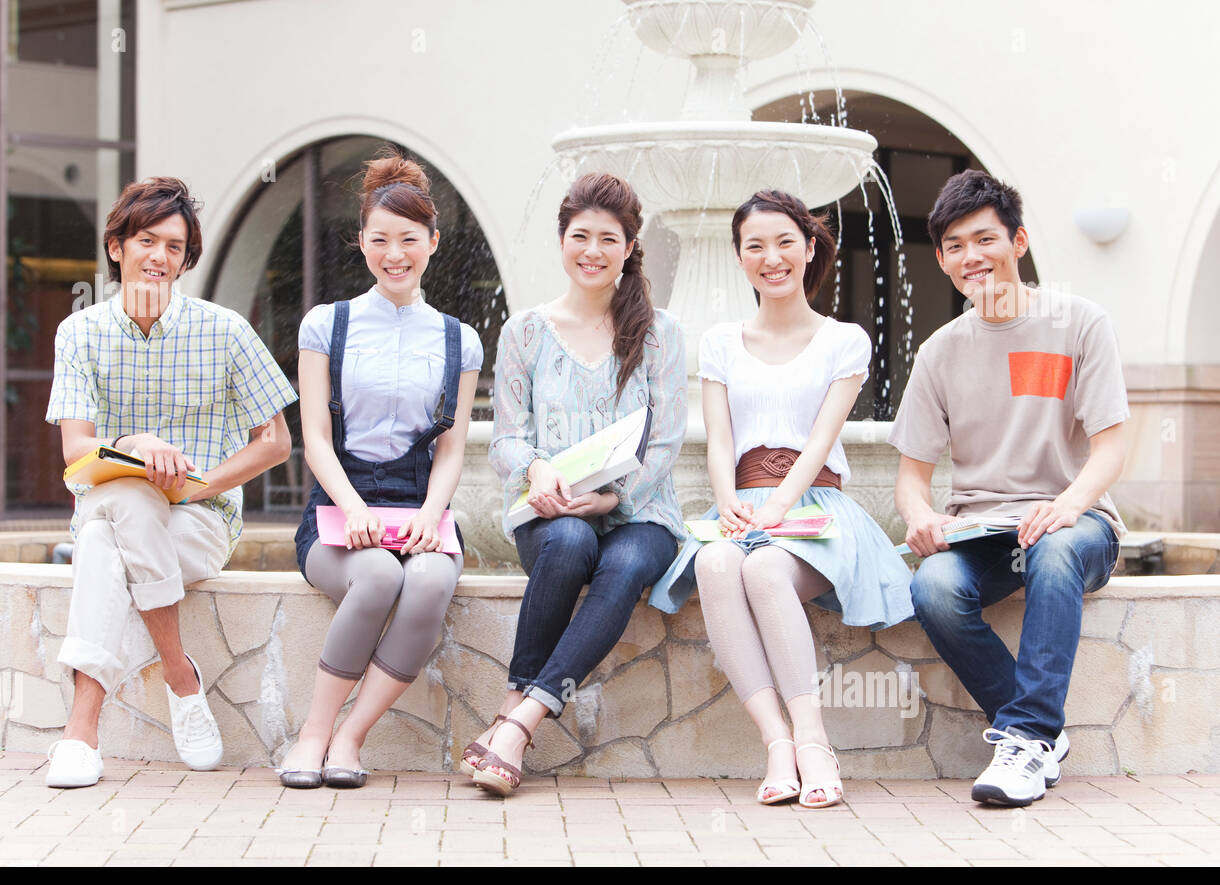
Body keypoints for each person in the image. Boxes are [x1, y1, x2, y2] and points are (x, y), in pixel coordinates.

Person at [649, 189, 914, 808]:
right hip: (742, 505)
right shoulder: (718, 341)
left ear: (810, 247)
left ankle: (815, 740)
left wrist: (779, 507)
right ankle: (777, 743)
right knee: (716, 563)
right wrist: (731, 501)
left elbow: (821, 443)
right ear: (740, 260)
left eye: (784, 242)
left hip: (815, 505)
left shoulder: (843, 340)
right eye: (755, 247)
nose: (772, 257)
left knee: (765, 570)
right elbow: (720, 441)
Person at [44, 177, 297, 788]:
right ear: (116, 246)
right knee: (118, 512)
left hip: (200, 520)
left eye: (174, 247)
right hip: (112, 508)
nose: (159, 256)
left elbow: (277, 442)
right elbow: (77, 448)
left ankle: (81, 735)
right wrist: (132, 446)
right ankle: (181, 678)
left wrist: (196, 486)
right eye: (146, 240)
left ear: (186, 260)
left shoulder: (227, 331)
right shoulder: (79, 333)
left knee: (105, 543)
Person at [891, 169, 1128, 807]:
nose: (973, 257)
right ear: (940, 260)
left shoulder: (1080, 323)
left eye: (985, 239)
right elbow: (912, 478)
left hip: (1077, 523)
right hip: (982, 531)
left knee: (1054, 547)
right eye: (956, 246)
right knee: (932, 586)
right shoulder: (939, 353)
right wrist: (920, 518)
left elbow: (1112, 445)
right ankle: (1040, 736)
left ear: (1018, 242)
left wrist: (1068, 504)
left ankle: (1022, 741)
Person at [470, 172, 685, 796]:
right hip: (551, 507)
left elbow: (666, 441)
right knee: (567, 543)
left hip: (641, 514)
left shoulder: (659, 333)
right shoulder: (526, 333)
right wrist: (536, 470)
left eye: (608, 239)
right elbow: (507, 435)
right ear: (562, 240)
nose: (592, 250)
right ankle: (519, 710)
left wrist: (615, 498)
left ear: (628, 245)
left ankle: (518, 718)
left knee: (622, 566)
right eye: (580, 236)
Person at [280, 152, 481, 788]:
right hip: (339, 508)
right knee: (375, 579)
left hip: (420, 510)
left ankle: (350, 737)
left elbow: (451, 447)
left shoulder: (459, 339)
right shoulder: (327, 325)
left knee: (425, 584)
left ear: (432, 244)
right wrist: (355, 509)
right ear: (361, 241)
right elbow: (313, 437)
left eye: (409, 240)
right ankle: (313, 733)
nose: (395, 255)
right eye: (380, 240)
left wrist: (429, 516)